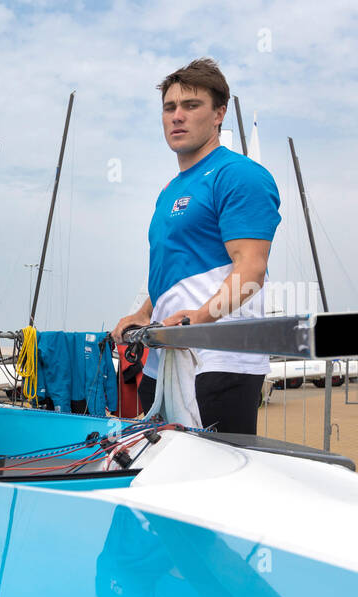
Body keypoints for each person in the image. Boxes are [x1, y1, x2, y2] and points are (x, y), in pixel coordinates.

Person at [112, 58, 280, 435]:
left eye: (191, 106)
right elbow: (173, 268)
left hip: (218, 359)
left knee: (218, 480)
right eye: (170, 108)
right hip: (166, 359)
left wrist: (199, 320)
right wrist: (144, 312)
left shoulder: (239, 175)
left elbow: (251, 271)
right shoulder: (170, 190)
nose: (177, 116)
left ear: (219, 113)